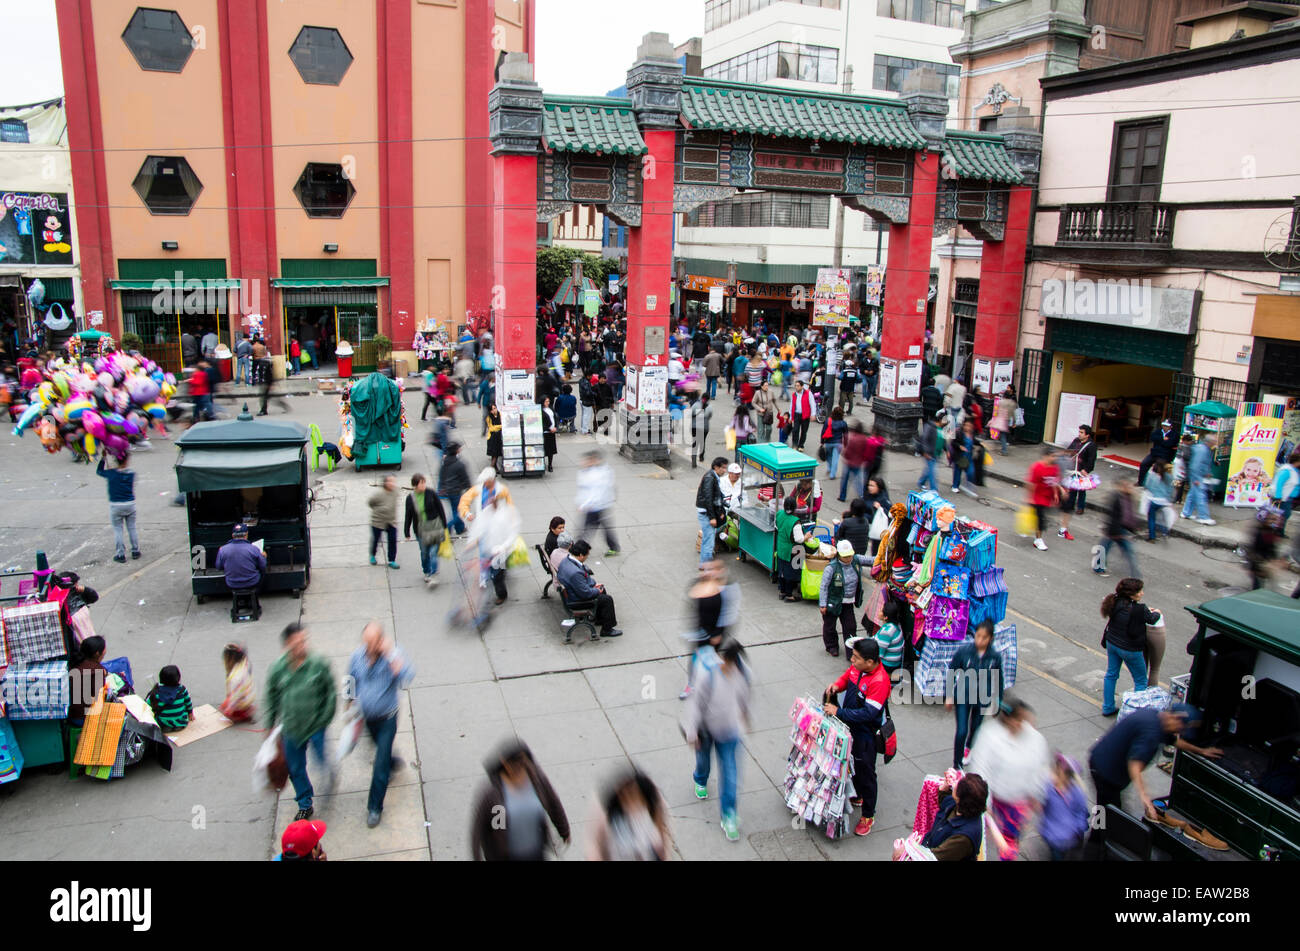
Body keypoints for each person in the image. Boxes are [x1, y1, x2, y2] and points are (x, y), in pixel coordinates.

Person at [1086, 705, 1221, 857]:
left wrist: (1202, 751)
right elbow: (1135, 764)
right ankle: (1094, 849)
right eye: (1181, 728)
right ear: (1175, 718)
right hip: (1105, 772)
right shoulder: (1152, 733)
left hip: (1106, 766)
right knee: (1108, 815)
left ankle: (1101, 841)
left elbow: (1175, 742)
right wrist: (1145, 798)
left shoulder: (1158, 719)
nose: (1179, 732)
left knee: (1108, 812)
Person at [266, 622, 337, 821]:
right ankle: (305, 803)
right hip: (291, 729)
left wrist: (324, 718)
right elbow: (271, 697)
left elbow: (330, 692)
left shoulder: (318, 664)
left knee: (321, 759)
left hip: (316, 727)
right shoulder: (278, 669)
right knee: (295, 769)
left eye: (304, 641)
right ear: (287, 645)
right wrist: (269, 725)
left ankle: (328, 774)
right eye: (298, 643)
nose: (303, 646)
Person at [347, 621, 414, 828]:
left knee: (380, 763)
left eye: (373, 643)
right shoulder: (357, 656)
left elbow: (408, 675)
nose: (369, 648)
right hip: (367, 718)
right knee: (381, 750)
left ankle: (374, 807)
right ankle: (392, 762)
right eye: (366, 643)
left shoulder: (393, 654)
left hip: (387, 718)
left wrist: (391, 655)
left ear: (381, 641)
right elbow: (350, 679)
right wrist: (348, 705)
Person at [684, 639, 751, 842]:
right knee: (704, 760)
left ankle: (729, 814)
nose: (732, 670)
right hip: (706, 728)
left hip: (729, 731)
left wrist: (745, 719)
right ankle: (700, 778)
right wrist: (692, 731)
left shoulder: (743, 674)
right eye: (729, 665)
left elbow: (744, 699)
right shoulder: (709, 675)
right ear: (724, 660)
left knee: (730, 772)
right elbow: (696, 704)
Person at [966, 697, 1050, 860]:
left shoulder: (1034, 738)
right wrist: (985, 804)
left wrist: (1036, 796)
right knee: (985, 843)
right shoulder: (990, 736)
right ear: (1008, 719)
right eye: (1019, 720)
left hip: (1018, 805)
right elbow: (981, 769)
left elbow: (1039, 769)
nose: (1022, 725)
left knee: (1009, 845)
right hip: (995, 801)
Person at [822, 637, 890, 837]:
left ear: (870, 662)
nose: (852, 660)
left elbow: (867, 714)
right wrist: (837, 686)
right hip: (850, 729)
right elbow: (846, 678)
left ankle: (868, 815)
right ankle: (858, 795)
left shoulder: (880, 682)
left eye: (856, 658)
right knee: (852, 767)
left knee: (866, 774)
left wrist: (838, 712)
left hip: (866, 735)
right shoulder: (857, 668)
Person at [470, 741, 570, 861]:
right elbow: (477, 830)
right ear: (504, 763)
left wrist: (564, 829)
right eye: (514, 763)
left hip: (535, 852)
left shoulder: (536, 779)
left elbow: (553, 801)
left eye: (523, 762)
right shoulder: (491, 794)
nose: (519, 767)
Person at [458, 468, 521, 610]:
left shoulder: (502, 493)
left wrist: (504, 545)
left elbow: (511, 512)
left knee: (498, 568)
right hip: (486, 534)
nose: (485, 484)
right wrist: (467, 514)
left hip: (499, 542)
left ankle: (499, 588)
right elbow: (464, 501)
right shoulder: (479, 492)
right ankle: (486, 577)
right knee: (485, 557)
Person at [946, 620, 1004, 769]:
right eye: (978, 636)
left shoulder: (995, 657)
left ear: (990, 638)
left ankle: (969, 747)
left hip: (982, 698)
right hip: (963, 696)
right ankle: (957, 764)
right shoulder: (964, 652)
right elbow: (952, 671)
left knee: (975, 728)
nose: (980, 640)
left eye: (984, 637)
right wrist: (949, 695)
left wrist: (998, 702)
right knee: (961, 731)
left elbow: (999, 680)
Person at [1099, 577, 1160, 715]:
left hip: (1112, 643)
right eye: (1139, 591)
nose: (1142, 593)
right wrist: (1157, 612)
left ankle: (1107, 707)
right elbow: (1152, 619)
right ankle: (1137, 713)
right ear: (1131, 594)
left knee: (1111, 675)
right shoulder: (1140, 609)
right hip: (1130, 649)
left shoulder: (1114, 601)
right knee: (1140, 681)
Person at [590, 769, 671, 861]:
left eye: (635, 797)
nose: (631, 801)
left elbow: (661, 836)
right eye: (626, 797)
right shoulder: (613, 821)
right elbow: (598, 846)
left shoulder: (651, 815)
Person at [910, 773, 988, 861]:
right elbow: (945, 801)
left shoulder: (963, 837)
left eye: (958, 785)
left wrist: (909, 849)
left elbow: (934, 857)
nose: (955, 783)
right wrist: (944, 789)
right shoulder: (960, 805)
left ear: (959, 798)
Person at [555, 540, 622, 638]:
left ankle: (600, 619)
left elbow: (583, 582)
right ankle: (607, 629)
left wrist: (594, 585)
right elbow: (585, 593)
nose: (587, 557)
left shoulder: (567, 560)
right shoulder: (575, 573)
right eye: (587, 555)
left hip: (572, 592)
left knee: (601, 590)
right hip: (576, 600)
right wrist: (597, 590)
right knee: (607, 599)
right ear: (581, 555)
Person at [819, 540, 868, 657]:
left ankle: (851, 651)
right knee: (830, 626)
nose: (848, 558)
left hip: (848, 602)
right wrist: (823, 604)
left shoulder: (856, 560)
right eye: (845, 556)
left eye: (850, 555)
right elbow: (824, 587)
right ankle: (832, 646)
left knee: (850, 626)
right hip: (833, 602)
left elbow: (872, 560)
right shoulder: (831, 568)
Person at [1040, 753, 1089, 861]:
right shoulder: (1049, 788)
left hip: (1068, 837)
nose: (1052, 775)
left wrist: (1078, 829)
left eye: (1057, 773)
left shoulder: (1077, 793)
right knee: (1056, 856)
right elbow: (1041, 805)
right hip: (1052, 837)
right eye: (1053, 771)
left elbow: (1081, 812)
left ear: (1067, 778)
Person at [96, 452, 140, 563]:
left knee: (118, 529)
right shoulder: (131, 474)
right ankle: (135, 551)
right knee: (132, 528)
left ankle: (120, 554)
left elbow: (99, 471)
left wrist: (103, 459)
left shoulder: (111, 473)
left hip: (116, 505)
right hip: (130, 504)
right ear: (126, 461)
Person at [404, 473, 446, 586]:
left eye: (424, 482)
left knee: (433, 552)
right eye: (421, 483)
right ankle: (427, 571)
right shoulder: (410, 498)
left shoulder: (431, 493)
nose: (424, 485)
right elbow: (408, 516)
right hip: (421, 530)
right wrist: (406, 532)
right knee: (424, 553)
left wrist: (444, 526)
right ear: (415, 485)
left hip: (435, 528)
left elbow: (440, 509)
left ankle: (433, 573)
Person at [575, 450, 620, 556]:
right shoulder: (592, 471)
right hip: (598, 506)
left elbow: (596, 493)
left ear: (594, 460)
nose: (584, 463)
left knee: (587, 529)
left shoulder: (599, 474)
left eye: (587, 460)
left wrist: (584, 505)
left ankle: (578, 549)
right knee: (600, 527)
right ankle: (614, 547)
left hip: (597, 506)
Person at [1058, 425, 1097, 540]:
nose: (1079, 434)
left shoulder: (1091, 445)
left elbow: (1091, 460)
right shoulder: (1076, 441)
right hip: (1072, 470)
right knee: (1072, 489)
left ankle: (1080, 506)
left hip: (1081, 471)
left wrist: (1086, 470)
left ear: (1087, 435)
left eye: (1081, 432)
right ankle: (1070, 505)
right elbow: (1069, 451)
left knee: (1081, 489)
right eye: (1079, 432)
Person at [1096, 480, 1140, 579]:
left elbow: (1130, 515)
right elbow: (1115, 516)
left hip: (1121, 529)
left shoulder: (1128, 498)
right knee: (1107, 548)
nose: (1132, 489)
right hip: (1115, 529)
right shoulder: (1118, 498)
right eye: (1129, 487)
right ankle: (1135, 574)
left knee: (1127, 551)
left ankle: (1135, 574)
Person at [1026, 445, 1063, 551]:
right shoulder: (1037, 467)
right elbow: (1031, 484)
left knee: (1039, 517)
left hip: (1047, 497)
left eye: (1055, 456)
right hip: (1038, 497)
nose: (1055, 458)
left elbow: (1054, 482)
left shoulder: (1055, 468)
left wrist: (1056, 493)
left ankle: (1031, 528)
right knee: (1041, 519)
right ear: (1046, 456)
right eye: (1052, 456)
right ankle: (1038, 539)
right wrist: (1030, 497)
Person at [68, 635, 108, 727]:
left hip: (72, 715)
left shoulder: (75, 662)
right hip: (83, 718)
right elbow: (98, 698)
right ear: (97, 653)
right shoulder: (97, 671)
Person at [215, 523, 266, 593]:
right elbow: (263, 566)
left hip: (232, 583)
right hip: (252, 582)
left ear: (232, 535)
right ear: (246, 534)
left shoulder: (222, 549)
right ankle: (257, 593)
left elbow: (218, 567)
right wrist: (264, 557)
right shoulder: (254, 548)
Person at [696, 457, 729, 565]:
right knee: (709, 541)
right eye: (723, 468)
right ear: (716, 467)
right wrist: (712, 517)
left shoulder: (713, 476)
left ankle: (704, 564)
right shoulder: (710, 478)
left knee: (708, 539)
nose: (724, 471)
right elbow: (708, 498)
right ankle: (706, 566)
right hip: (706, 513)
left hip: (707, 512)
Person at [774, 497, 805, 603]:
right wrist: (807, 536)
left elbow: (776, 526)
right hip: (790, 549)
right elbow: (799, 539)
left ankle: (782, 592)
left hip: (780, 546)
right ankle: (789, 595)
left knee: (781, 570)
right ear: (795, 507)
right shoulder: (795, 522)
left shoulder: (779, 514)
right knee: (790, 572)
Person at [436, 441, 470, 536]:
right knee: (459, 511)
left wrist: (441, 487)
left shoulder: (444, 462)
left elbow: (441, 475)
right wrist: (468, 488)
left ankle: (460, 528)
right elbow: (465, 478)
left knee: (454, 509)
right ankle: (448, 526)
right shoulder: (459, 464)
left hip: (446, 490)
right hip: (455, 491)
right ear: (456, 451)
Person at [368, 475, 400, 569]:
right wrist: (379, 510)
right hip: (378, 521)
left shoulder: (396, 492)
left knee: (392, 540)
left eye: (393, 481)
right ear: (385, 483)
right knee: (376, 539)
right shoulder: (379, 494)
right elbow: (370, 503)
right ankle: (373, 555)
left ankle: (391, 560)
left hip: (391, 521)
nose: (392, 484)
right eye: (390, 481)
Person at [1137, 419, 1180, 487]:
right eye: (1164, 425)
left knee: (1157, 468)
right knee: (1144, 464)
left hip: (1165, 455)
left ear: (1171, 426)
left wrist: (1159, 441)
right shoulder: (1158, 431)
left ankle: (1153, 486)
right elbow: (1153, 438)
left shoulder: (1175, 434)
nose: (1164, 427)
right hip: (1154, 453)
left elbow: (1170, 444)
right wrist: (1163, 439)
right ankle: (1140, 482)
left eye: (1166, 426)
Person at [220, 642, 255, 723]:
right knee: (228, 702)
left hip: (242, 700)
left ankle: (242, 714)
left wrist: (229, 709)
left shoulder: (235, 677)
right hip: (249, 695)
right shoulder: (245, 663)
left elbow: (235, 697)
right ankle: (247, 709)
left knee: (224, 707)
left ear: (230, 660)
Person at [1270, 449, 1300, 537]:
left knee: (1284, 514)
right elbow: (1279, 483)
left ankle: (1278, 530)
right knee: (1282, 514)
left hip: (1288, 497)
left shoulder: (1294, 470)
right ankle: (1276, 531)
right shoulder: (1287, 470)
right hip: (1283, 498)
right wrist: (1278, 496)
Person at [1143, 460, 1174, 542]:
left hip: (1154, 500)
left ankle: (1152, 537)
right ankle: (1165, 532)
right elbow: (1171, 488)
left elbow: (1147, 486)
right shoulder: (1168, 476)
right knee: (1162, 517)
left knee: (1151, 518)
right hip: (1164, 501)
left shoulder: (1152, 475)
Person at [874, 600, 905, 681]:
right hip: (895, 662)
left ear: (886, 617)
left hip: (888, 664)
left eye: (881, 610)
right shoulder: (896, 625)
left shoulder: (886, 632)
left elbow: (879, 654)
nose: (879, 611)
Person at [915, 410, 943, 492]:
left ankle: (921, 482)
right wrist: (925, 452)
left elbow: (943, 441)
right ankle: (934, 489)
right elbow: (925, 439)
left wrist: (947, 450)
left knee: (929, 470)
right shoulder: (930, 426)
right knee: (933, 471)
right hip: (930, 453)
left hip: (937, 453)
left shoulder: (942, 429)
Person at [949, 419, 977, 499]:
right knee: (958, 472)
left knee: (971, 472)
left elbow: (975, 442)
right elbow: (953, 443)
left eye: (970, 426)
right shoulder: (959, 433)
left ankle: (967, 484)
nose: (968, 428)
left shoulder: (972, 435)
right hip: (960, 456)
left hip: (969, 457)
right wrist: (960, 446)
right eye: (966, 425)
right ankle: (955, 486)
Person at [789, 378, 817, 450]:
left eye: (798, 386)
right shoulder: (794, 394)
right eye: (795, 386)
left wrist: (813, 414)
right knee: (795, 430)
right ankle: (795, 444)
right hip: (796, 414)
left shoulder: (808, 393)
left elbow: (812, 404)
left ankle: (801, 445)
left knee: (804, 431)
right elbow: (792, 405)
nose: (796, 387)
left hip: (805, 415)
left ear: (802, 386)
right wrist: (790, 416)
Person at [990, 388, 1017, 455]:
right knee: (1003, 434)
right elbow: (1013, 413)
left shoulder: (1001, 402)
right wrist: (1014, 422)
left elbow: (997, 411)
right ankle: (1003, 447)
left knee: (1002, 435)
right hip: (1007, 420)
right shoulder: (1012, 403)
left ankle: (1004, 450)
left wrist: (995, 418)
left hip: (1001, 419)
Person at [541, 396, 558, 472]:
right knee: (544, 449)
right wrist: (549, 428)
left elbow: (555, 417)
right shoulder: (541, 410)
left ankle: (550, 464)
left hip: (552, 431)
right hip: (546, 432)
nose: (548, 403)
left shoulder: (550, 409)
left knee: (551, 450)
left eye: (548, 401)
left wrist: (555, 427)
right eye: (546, 401)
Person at [484, 403, 503, 471]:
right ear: (490, 411)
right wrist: (500, 426)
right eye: (492, 409)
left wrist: (497, 427)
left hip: (499, 437)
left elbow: (504, 423)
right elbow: (491, 428)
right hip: (492, 438)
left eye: (495, 408)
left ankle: (494, 468)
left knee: (496, 454)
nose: (494, 410)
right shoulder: (488, 418)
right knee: (494, 455)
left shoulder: (500, 414)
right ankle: (491, 469)